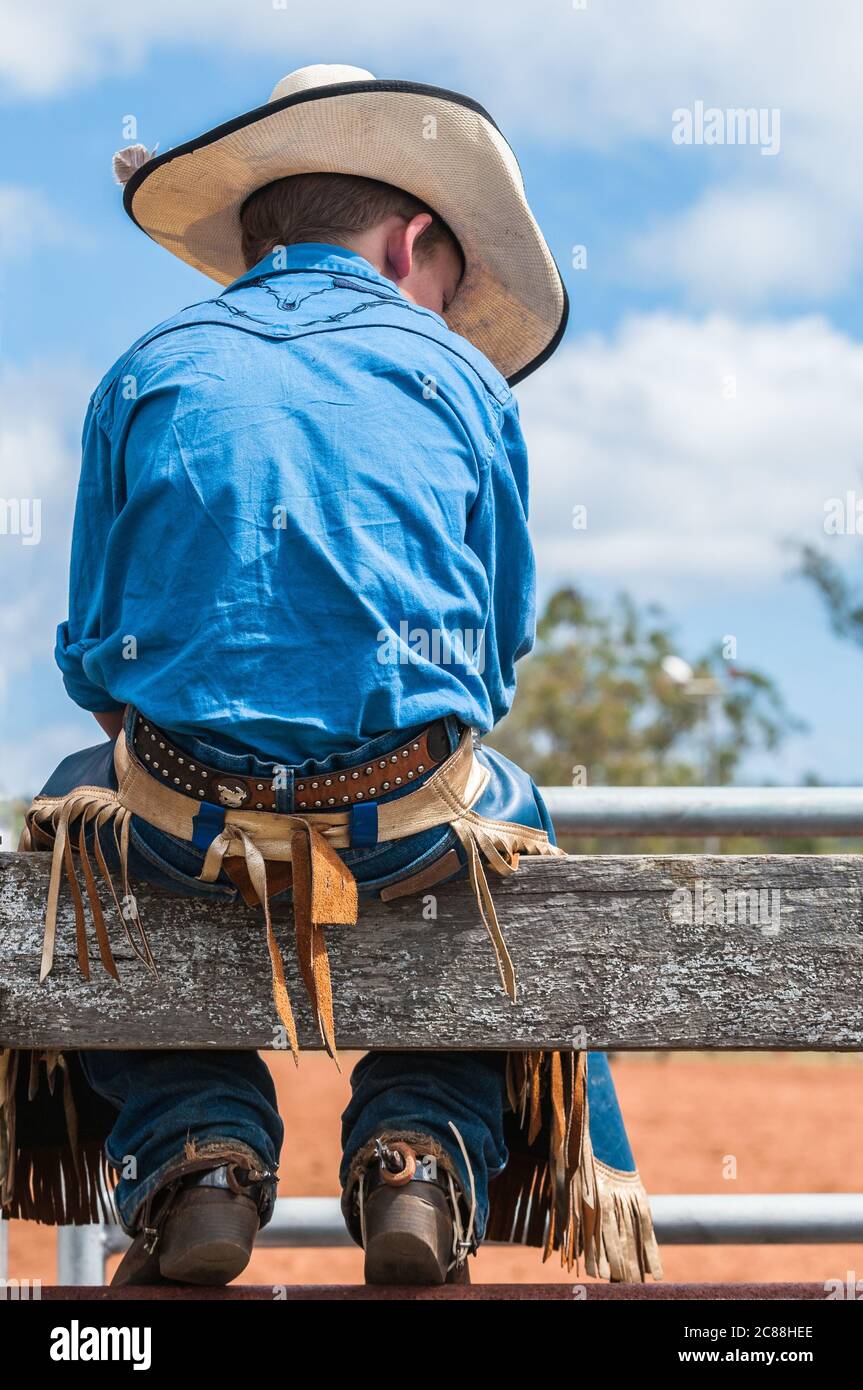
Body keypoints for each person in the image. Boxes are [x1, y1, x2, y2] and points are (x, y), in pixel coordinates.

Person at [1, 64, 660, 1288]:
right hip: (402, 824)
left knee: (75, 804)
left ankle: (195, 1151)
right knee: (506, 818)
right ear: (414, 242)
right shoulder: (461, 381)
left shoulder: (143, 371)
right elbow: (492, 659)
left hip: (179, 822)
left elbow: (92, 650)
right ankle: (419, 1148)